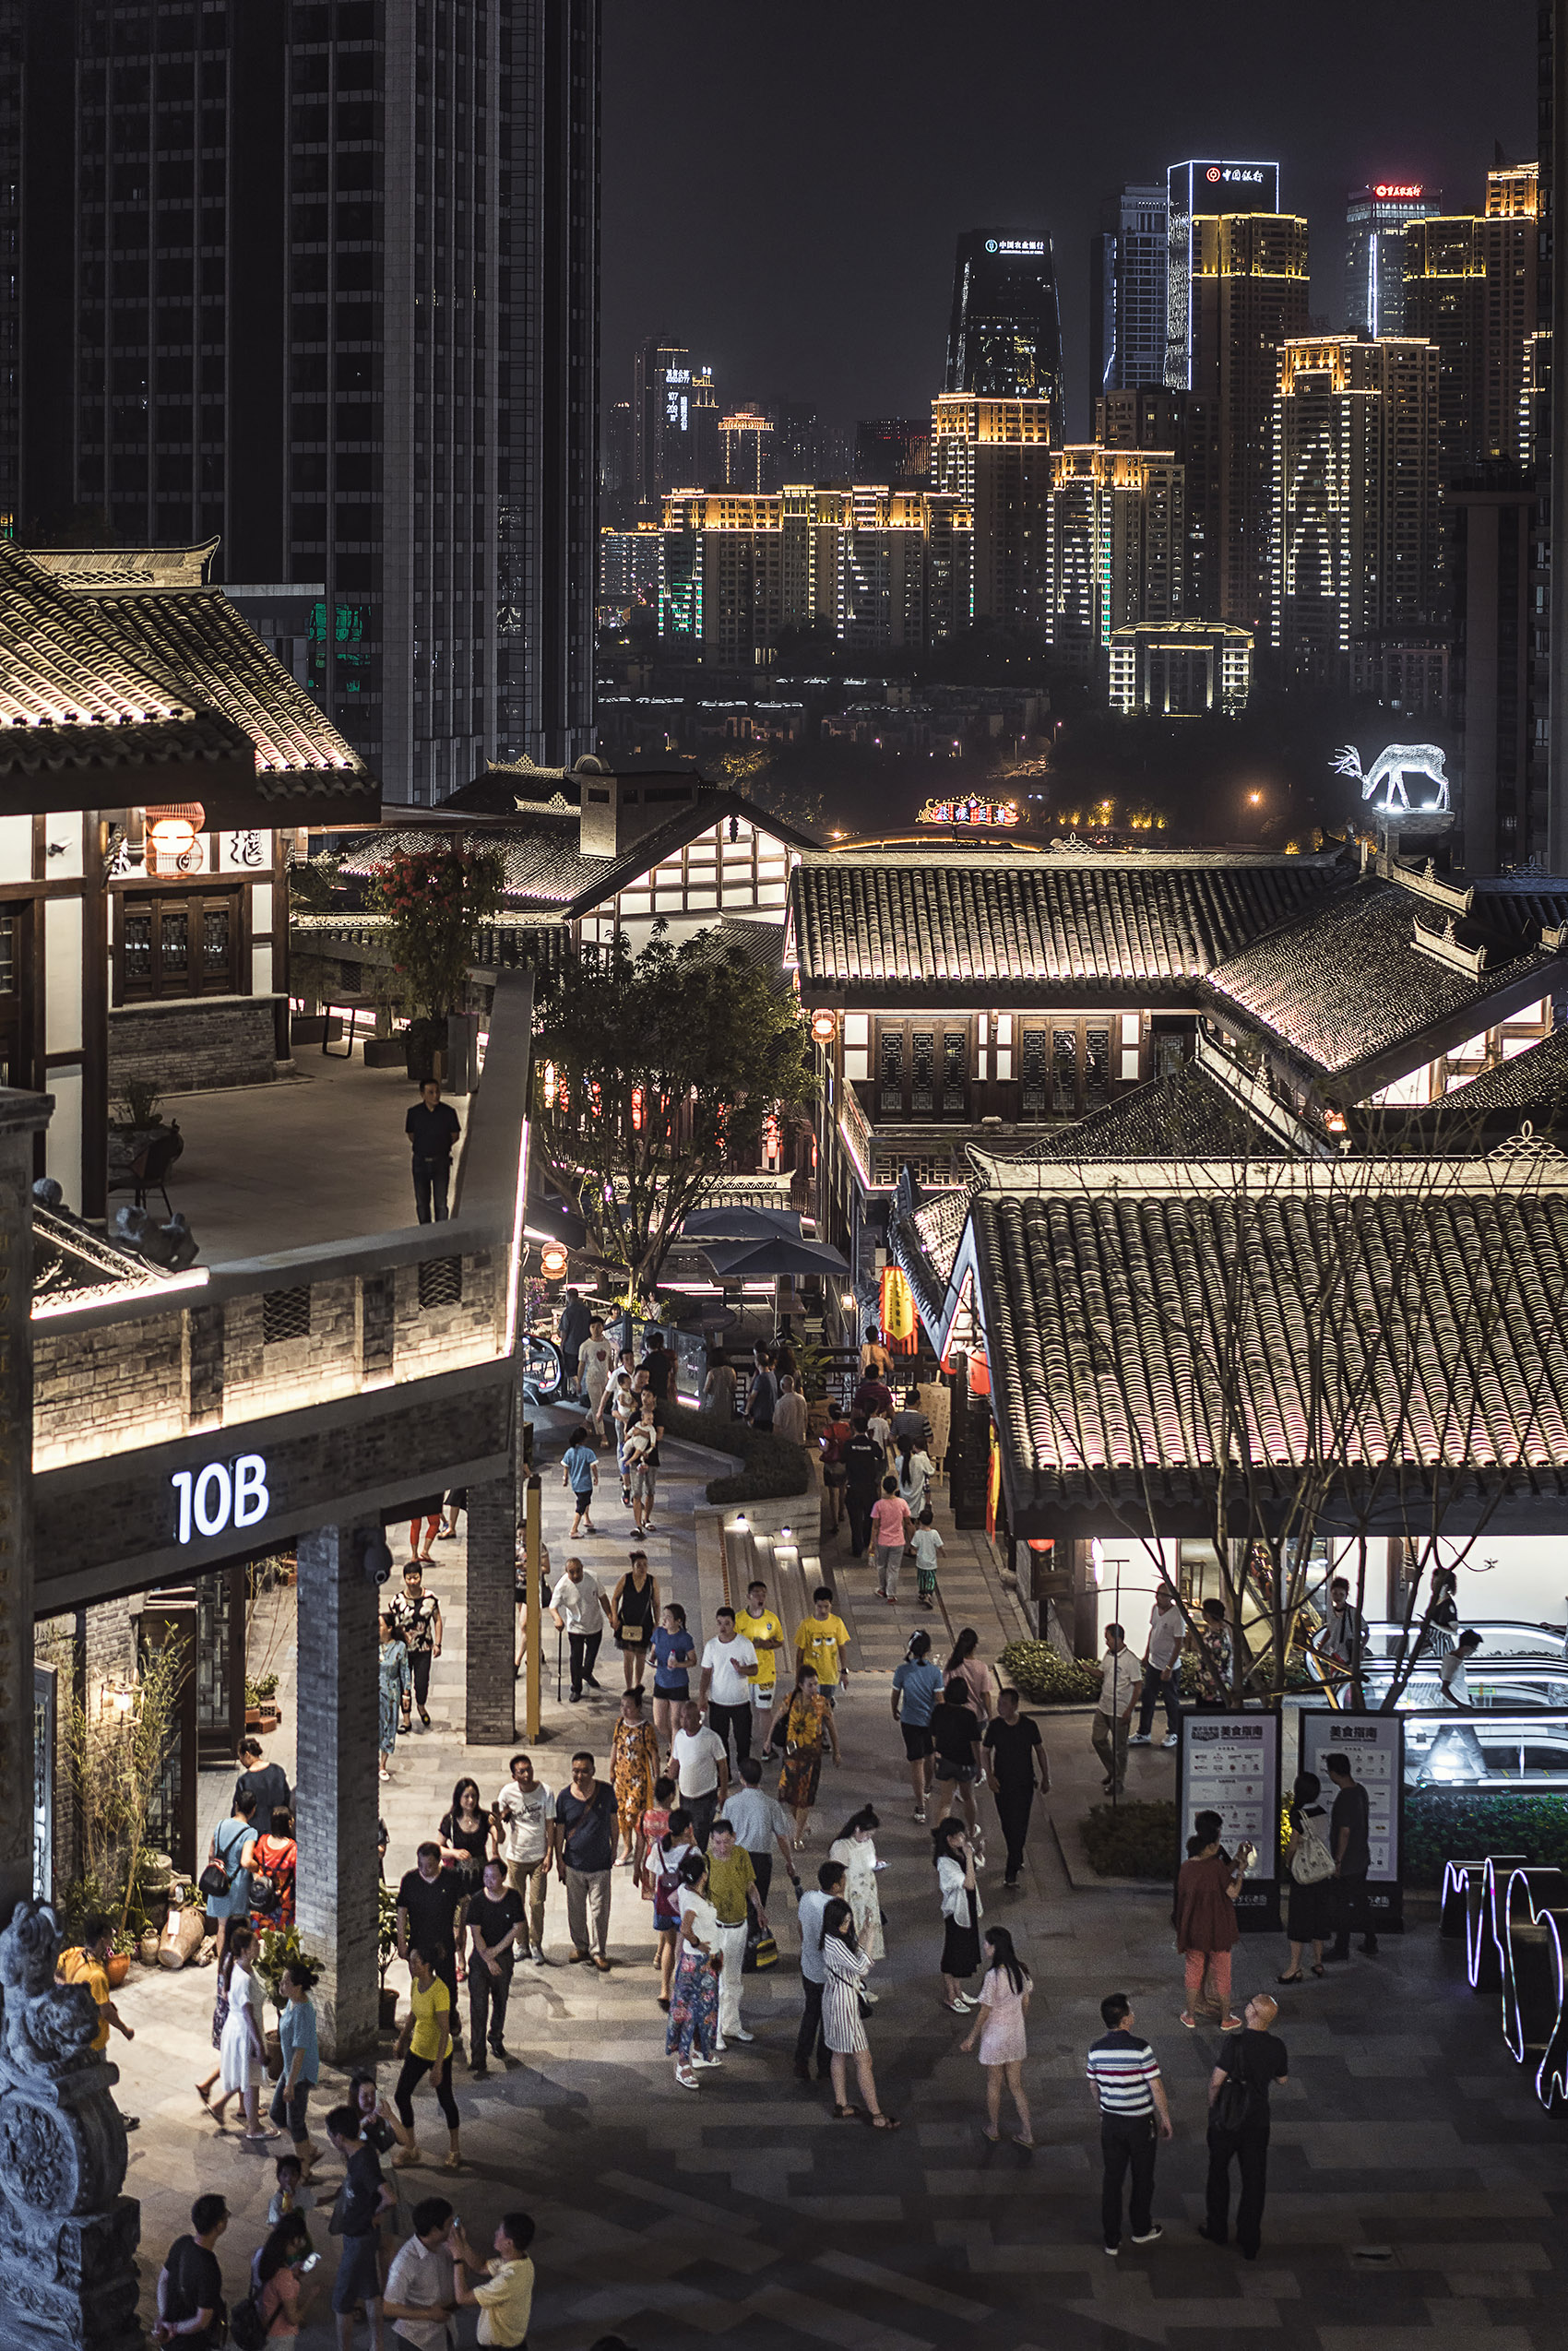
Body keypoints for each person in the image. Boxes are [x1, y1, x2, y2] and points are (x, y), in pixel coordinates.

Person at [1199, 1993, 1289, 2259]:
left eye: (1249, 2005)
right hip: (1257, 2119)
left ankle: (1217, 2229)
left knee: (1218, 2172)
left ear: (1253, 2015)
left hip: (1228, 2118)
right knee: (1254, 2179)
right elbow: (1282, 2079)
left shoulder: (1235, 2043)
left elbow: (1216, 2081)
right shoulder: (1277, 2046)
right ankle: (1250, 2239)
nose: (1246, 2007)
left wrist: (1214, 2107)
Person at [1087, 1993, 1173, 2256]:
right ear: (1125, 2020)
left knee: (1112, 2180)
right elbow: (1155, 2086)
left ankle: (1111, 2240)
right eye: (1131, 2011)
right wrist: (1165, 2118)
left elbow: (1093, 2084)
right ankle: (1140, 2229)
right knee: (1142, 2177)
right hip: (1139, 2123)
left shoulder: (1095, 2049)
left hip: (1111, 2123)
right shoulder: (1141, 2048)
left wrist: (1102, 2109)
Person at [822, 1895, 898, 2127]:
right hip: (844, 2005)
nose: (847, 1926)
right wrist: (872, 1932)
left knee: (839, 2054)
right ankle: (876, 2115)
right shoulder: (835, 1943)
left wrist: (865, 1931)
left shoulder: (831, 1939)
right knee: (863, 2059)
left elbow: (855, 1956)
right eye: (844, 1922)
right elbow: (860, 1967)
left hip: (836, 2000)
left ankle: (842, 2104)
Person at [59, 1911, 139, 2130]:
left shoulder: (73, 1954)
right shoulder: (97, 1976)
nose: (112, 1941)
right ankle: (113, 2121)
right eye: (110, 1936)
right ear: (103, 1938)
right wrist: (125, 2030)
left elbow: (56, 1972)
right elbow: (106, 2012)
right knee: (101, 2082)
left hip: (73, 2034)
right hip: (93, 2040)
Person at [325, 2099, 395, 2347]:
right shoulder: (363, 2152)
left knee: (341, 2302)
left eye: (332, 2137)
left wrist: (376, 2212)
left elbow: (389, 2196)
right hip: (364, 2234)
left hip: (360, 2238)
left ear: (340, 2136)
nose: (332, 2142)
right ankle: (378, 2344)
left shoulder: (362, 2162)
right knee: (370, 2290)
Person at [390, 1942, 463, 2172]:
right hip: (418, 2048)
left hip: (439, 2053)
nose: (411, 1966)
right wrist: (402, 2040)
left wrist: (439, 2066)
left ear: (427, 1965)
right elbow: (412, 2014)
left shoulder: (440, 1991)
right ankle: (411, 2146)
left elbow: (444, 2031)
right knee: (401, 2095)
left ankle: (454, 2149)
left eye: (415, 1962)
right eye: (410, 1961)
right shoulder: (415, 1983)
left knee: (446, 2100)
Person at [959, 1926, 1033, 2147]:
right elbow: (1026, 2003)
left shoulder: (993, 1977)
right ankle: (1028, 2132)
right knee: (1016, 2085)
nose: (984, 1946)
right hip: (1016, 2034)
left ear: (994, 1947)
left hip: (995, 2036)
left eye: (987, 1943)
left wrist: (971, 2037)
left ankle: (993, 2127)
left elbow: (984, 2011)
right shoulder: (1021, 1971)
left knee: (994, 2084)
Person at [1174, 1818, 1251, 2030]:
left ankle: (1190, 2015)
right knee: (1223, 1972)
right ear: (1211, 1846)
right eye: (1218, 1842)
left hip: (1193, 1929)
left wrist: (1235, 1860)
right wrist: (1241, 1871)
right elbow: (1232, 1892)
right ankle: (1226, 2018)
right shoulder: (1216, 1866)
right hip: (1218, 1928)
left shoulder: (1187, 1867)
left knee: (1193, 1970)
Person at [397, 1842, 468, 2048]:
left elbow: (462, 1904)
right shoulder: (410, 1880)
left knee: (448, 1986)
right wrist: (402, 1942)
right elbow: (402, 1912)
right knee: (420, 1987)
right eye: (421, 1864)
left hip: (443, 1941)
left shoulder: (451, 1878)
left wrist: (460, 1932)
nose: (424, 1869)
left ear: (439, 1862)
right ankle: (424, 2024)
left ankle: (450, 2016)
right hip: (419, 1942)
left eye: (429, 1865)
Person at [706, 1815, 766, 2046]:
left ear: (734, 1838)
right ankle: (716, 2031)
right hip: (716, 1929)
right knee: (716, 1981)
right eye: (717, 1842)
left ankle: (731, 2025)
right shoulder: (706, 1862)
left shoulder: (741, 1855)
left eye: (726, 1841)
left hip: (738, 1926)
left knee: (733, 1979)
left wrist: (759, 1909)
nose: (722, 1847)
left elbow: (750, 1886)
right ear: (711, 1841)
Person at [555, 1748, 619, 1967]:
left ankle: (599, 1951)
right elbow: (560, 1830)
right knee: (576, 1909)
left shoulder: (606, 1792)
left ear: (593, 1771)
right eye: (575, 1771)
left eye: (583, 1771)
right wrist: (559, 1859)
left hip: (600, 1863)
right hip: (573, 1863)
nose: (579, 1775)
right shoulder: (564, 1797)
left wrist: (614, 1848)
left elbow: (613, 1821)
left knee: (600, 1911)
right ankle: (581, 1946)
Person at [213, 1922, 274, 2144]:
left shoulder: (241, 1968)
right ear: (246, 1950)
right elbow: (248, 2013)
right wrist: (258, 2045)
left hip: (239, 2027)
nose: (259, 1945)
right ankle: (254, 2127)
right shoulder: (244, 1978)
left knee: (247, 2077)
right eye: (255, 1943)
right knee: (251, 2080)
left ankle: (239, 2113)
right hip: (245, 2032)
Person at [465, 1858, 527, 2077]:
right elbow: (475, 1930)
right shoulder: (478, 1900)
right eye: (486, 1876)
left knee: (500, 2000)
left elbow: (517, 1927)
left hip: (503, 1958)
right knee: (478, 2007)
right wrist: (487, 1958)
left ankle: (496, 2037)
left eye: (493, 1876)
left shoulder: (512, 1898)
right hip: (480, 1961)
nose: (489, 1881)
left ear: (503, 1877)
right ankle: (478, 2056)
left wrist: (497, 1952)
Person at [667, 1848, 723, 2087]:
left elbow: (671, 1901)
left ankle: (702, 2051)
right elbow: (685, 1928)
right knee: (690, 2012)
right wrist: (698, 1943)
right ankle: (683, 2064)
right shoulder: (693, 1902)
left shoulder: (684, 1891)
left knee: (707, 2007)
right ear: (704, 1876)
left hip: (706, 1963)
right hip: (697, 1965)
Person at [983, 1686, 1049, 1888]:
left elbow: (1040, 1751)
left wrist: (1046, 1777)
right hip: (1002, 1784)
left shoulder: (1029, 1726)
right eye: (999, 1704)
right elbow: (985, 1751)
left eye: (1004, 1704)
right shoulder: (995, 1727)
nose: (999, 1707)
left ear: (1015, 1705)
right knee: (1007, 1824)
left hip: (1024, 1783)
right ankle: (1017, 1855)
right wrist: (990, 1775)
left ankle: (1010, 1871)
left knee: (1020, 1824)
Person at [493, 1753, 555, 1965]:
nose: (527, 1774)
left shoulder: (546, 1792)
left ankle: (536, 1943)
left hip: (538, 1857)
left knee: (537, 1902)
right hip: (516, 1858)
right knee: (517, 1904)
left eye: (529, 1769)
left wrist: (549, 1854)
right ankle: (522, 1944)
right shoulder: (507, 1793)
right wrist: (500, 1818)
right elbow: (500, 1822)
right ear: (514, 1775)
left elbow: (550, 1825)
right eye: (522, 1771)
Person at [771, 1665, 839, 1846]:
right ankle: (802, 1824)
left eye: (816, 1684)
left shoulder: (821, 1703)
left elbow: (831, 1727)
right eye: (810, 1685)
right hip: (791, 1757)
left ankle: (797, 1836)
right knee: (788, 1796)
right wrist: (767, 1739)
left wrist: (836, 1751)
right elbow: (777, 1717)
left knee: (804, 1800)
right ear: (801, 1685)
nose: (814, 1688)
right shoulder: (790, 1700)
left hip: (811, 1759)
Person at [449, 2211, 536, 2346]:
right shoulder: (522, 2260)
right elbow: (480, 2267)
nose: (495, 2233)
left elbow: (462, 2298)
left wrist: (457, 2258)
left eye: (499, 2231)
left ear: (509, 2243)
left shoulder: (507, 2281)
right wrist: (463, 2243)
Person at [1278, 1772, 1334, 1983]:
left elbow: (1293, 1845)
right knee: (1320, 1917)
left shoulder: (1298, 1816)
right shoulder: (1322, 1812)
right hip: (1321, 1872)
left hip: (1303, 1874)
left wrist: (1287, 1861)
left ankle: (1294, 1968)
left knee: (1299, 1920)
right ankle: (1317, 1963)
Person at [383, 2195, 458, 2350]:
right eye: (450, 2223)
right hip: (417, 2339)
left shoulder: (447, 2244)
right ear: (435, 2230)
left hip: (445, 2329)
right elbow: (388, 2307)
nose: (455, 2227)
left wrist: (461, 2251)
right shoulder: (405, 2262)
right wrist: (429, 2314)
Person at [154, 2193, 229, 2346]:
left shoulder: (182, 2243)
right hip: (191, 2344)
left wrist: (165, 2319)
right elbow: (202, 2320)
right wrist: (175, 2328)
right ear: (219, 2225)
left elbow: (163, 2281)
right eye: (226, 2215)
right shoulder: (209, 2268)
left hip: (169, 2341)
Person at [724, 1756, 798, 1907]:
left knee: (737, 1903)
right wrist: (789, 1862)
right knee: (758, 1903)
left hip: (737, 1857)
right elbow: (782, 1838)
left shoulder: (730, 1803)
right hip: (761, 1861)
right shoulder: (771, 1804)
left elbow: (724, 1835)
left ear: (741, 1778)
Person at [1325, 1750, 1379, 1960]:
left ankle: (1341, 1948)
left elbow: (1344, 1832)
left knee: (1343, 1906)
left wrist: (1338, 1861)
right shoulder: (1360, 1791)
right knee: (1361, 1902)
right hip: (1361, 1857)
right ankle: (1371, 1941)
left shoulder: (1344, 1798)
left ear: (1334, 1773)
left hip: (1348, 1863)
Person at [794, 1858, 844, 2082]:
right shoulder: (837, 1910)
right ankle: (825, 2066)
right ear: (835, 1886)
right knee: (828, 2020)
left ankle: (801, 2060)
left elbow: (800, 1926)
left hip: (808, 1968)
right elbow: (842, 1944)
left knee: (810, 2014)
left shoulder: (807, 1898)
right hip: (829, 1974)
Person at [272, 1958, 321, 2174]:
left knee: (295, 2122)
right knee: (276, 2113)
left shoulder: (303, 2012)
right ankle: (309, 2149)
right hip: (290, 2070)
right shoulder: (292, 2003)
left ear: (298, 1986)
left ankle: (304, 2169)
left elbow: (300, 2050)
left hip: (299, 2075)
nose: (281, 1986)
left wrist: (290, 2084)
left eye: (285, 1983)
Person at [202, 1787, 259, 1966]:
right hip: (237, 1887)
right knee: (241, 1928)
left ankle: (222, 1967)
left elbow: (211, 1854)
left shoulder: (220, 1825)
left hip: (219, 1883)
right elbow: (246, 1861)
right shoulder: (250, 1832)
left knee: (222, 1927)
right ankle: (240, 1964)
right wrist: (258, 1867)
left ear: (236, 1806)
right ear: (253, 1809)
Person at [892, 1629, 945, 1821]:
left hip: (909, 1721)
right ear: (928, 1650)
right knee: (930, 1755)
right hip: (929, 1722)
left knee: (916, 1762)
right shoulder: (934, 1673)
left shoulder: (902, 1670)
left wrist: (894, 1710)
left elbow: (896, 1694)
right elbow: (940, 1700)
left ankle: (920, 1807)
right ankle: (928, 1787)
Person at [930, 1674, 987, 1851]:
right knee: (968, 1797)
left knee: (945, 1801)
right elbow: (975, 1744)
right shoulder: (968, 1716)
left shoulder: (939, 1710)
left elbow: (933, 1736)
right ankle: (970, 1828)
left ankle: (941, 1837)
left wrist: (934, 1757)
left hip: (945, 1760)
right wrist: (980, 1766)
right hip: (965, 1763)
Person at [827, 1805, 885, 1980]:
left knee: (867, 1936)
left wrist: (876, 1864)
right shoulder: (842, 1847)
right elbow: (835, 1876)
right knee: (853, 1940)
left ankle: (862, 1983)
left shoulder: (867, 1842)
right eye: (866, 1834)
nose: (868, 1838)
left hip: (867, 1896)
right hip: (851, 1899)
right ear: (857, 1829)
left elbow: (870, 1860)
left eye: (871, 1836)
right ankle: (854, 1981)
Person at [934, 1815, 982, 2012]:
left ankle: (958, 1991)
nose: (963, 1838)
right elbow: (968, 1882)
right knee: (953, 1952)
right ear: (950, 1839)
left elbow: (972, 1872)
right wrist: (970, 1857)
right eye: (960, 1835)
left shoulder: (957, 1853)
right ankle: (950, 1994)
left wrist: (975, 1855)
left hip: (967, 1907)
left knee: (962, 1951)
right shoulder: (945, 1862)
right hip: (956, 1911)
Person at [700, 1606, 759, 1764]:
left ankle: (744, 1772)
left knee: (743, 1740)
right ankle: (724, 1775)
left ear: (733, 1624)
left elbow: (755, 1669)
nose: (722, 1627)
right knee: (720, 1741)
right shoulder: (711, 1646)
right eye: (719, 1623)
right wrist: (702, 1696)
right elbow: (706, 1673)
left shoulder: (744, 1644)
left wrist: (741, 1669)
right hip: (718, 1702)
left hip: (740, 1701)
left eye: (726, 1623)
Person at [388, 1562, 444, 1733]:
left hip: (423, 1648)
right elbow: (390, 1623)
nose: (412, 1581)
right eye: (409, 1578)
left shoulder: (430, 1598)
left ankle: (421, 1706)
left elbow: (438, 1620)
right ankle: (406, 1720)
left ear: (420, 1577)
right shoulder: (397, 1600)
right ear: (404, 1578)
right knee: (403, 1685)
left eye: (415, 1577)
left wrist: (438, 1643)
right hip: (403, 1651)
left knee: (421, 1683)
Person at [550, 1554, 612, 1704]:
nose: (576, 1575)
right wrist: (558, 1619)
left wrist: (610, 1615)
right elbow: (553, 1607)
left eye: (578, 1571)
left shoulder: (593, 1578)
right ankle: (576, 1688)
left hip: (595, 1624)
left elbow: (603, 1597)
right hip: (575, 1628)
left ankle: (587, 1673)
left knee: (591, 1656)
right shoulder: (562, 1586)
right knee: (575, 1659)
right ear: (567, 1572)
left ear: (583, 1568)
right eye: (572, 1572)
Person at [1128, 1584, 1183, 1750]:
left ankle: (1173, 1731)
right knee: (1147, 1698)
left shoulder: (1177, 1616)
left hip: (1169, 1667)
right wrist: (1146, 1654)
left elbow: (1178, 1644)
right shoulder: (1155, 1609)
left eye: (1163, 1595)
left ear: (1171, 1598)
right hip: (1154, 1663)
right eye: (1158, 1594)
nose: (1159, 1598)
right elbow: (1153, 1631)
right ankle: (1144, 1732)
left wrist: (1168, 1667)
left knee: (1170, 1700)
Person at [650, 1806, 695, 2007]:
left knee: (669, 1944)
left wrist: (653, 1894)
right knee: (681, 1948)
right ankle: (680, 1991)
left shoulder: (659, 1847)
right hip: (683, 1905)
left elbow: (652, 1872)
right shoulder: (692, 1851)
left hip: (662, 1903)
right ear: (687, 1829)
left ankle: (664, 1990)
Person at [671, 1697, 730, 1850]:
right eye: (682, 1717)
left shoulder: (711, 1738)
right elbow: (675, 1762)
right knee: (685, 1833)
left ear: (698, 1718)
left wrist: (723, 1792)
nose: (684, 1721)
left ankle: (700, 1865)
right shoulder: (679, 1737)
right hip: (685, 1796)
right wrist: (666, 1784)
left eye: (688, 1717)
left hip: (705, 1797)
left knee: (700, 1834)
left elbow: (722, 1765)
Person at [610, 1687, 660, 1863]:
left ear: (638, 1707)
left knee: (634, 1813)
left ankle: (642, 1846)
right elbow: (615, 1746)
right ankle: (627, 1846)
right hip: (621, 1778)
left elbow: (654, 1754)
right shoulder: (619, 1724)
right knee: (621, 1814)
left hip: (638, 1779)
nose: (624, 1710)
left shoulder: (646, 1729)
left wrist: (657, 1776)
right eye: (622, 1706)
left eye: (629, 1706)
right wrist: (611, 1768)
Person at [251, 2213, 319, 2343]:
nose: (301, 2244)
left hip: (261, 2319)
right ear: (293, 2240)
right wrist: (312, 2296)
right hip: (279, 2336)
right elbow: (293, 2318)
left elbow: (270, 2286)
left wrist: (293, 2273)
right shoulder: (284, 2277)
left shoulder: (260, 2255)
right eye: (300, 2240)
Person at [407, 1077, 461, 1224]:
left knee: (441, 1203)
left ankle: (441, 1233)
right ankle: (425, 1232)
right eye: (430, 1092)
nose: (435, 1095)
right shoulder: (414, 1113)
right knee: (422, 1203)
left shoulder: (448, 1112)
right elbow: (411, 1134)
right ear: (422, 1094)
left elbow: (455, 1135)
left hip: (441, 1162)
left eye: (437, 1092)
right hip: (420, 1162)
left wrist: (441, 1145)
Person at [734, 1578, 787, 1732]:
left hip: (765, 1673)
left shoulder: (772, 1619)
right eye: (756, 1594)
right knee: (743, 1709)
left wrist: (768, 1644)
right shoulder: (739, 1619)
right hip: (744, 1673)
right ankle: (745, 1737)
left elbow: (780, 1641)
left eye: (763, 1594)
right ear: (749, 1596)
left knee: (764, 1710)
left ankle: (767, 1744)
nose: (760, 1598)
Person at [1092, 1625, 1137, 1797]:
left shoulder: (1130, 1660)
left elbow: (1138, 1686)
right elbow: (1102, 1673)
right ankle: (1113, 1769)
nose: (1106, 1641)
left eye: (1108, 1638)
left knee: (1120, 1747)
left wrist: (1129, 1710)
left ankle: (1118, 1781)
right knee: (1098, 1739)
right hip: (1104, 1706)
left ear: (1118, 1639)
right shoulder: (1108, 1655)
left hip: (1120, 1710)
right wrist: (1089, 1670)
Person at [650, 1601, 698, 1757]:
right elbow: (654, 1649)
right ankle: (673, 1743)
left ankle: (673, 1759)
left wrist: (678, 1664)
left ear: (678, 1621)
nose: (664, 1620)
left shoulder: (684, 1638)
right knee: (659, 1722)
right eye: (664, 1616)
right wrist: (651, 1659)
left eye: (668, 1617)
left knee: (675, 1722)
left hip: (678, 1683)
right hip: (661, 1681)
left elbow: (693, 1660)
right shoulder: (659, 1633)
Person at [438, 1777, 493, 1908]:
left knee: (480, 1917)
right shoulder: (450, 1820)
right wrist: (454, 1853)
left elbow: (500, 1838)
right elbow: (438, 1848)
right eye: (466, 1796)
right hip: (458, 1875)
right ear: (459, 1797)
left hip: (481, 1874)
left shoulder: (484, 1817)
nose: (471, 1800)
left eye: (474, 1796)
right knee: (459, 1919)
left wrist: (498, 1825)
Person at [610, 1550, 659, 1688]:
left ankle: (638, 1685)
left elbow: (656, 1603)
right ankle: (629, 1686)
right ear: (633, 1567)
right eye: (639, 1565)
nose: (643, 1568)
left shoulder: (651, 1581)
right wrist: (614, 1616)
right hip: (626, 1621)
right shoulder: (625, 1579)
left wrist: (657, 1622)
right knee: (628, 1657)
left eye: (645, 1565)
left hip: (644, 1623)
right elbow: (615, 1598)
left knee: (641, 1656)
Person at [794, 1585, 851, 1700]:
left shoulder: (837, 1623)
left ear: (831, 1604)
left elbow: (842, 1647)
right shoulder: (806, 1624)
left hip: (829, 1676)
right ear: (815, 1605)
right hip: (810, 1676)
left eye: (826, 1606)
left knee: (825, 1710)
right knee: (811, 1709)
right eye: (820, 1607)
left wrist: (844, 1671)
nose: (823, 1610)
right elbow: (800, 1653)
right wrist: (798, 1678)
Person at [841, 1413, 885, 1557]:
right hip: (869, 1487)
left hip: (853, 1486)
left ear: (853, 1428)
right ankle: (867, 1541)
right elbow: (880, 1455)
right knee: (868, 1516)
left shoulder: (848, 1445)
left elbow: (842, 1459)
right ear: (867, 1428)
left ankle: (857, 1548)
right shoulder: (872, 1445)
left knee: (854, 1519)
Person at [251, 1804, 298, 1931]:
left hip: (262, 1898)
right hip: (283, 1903)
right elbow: (297, 1877)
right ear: (288, 1823)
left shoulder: (262, 1841)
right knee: (281, 1939)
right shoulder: (292, 1848)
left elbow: (255, 1863)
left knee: (262, 1934)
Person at [233, 1735, 292, 1830]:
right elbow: (287, 1799)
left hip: (256, 1832)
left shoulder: (244, 1780)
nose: (241, 1761)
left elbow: (237, 1812)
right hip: (279, 1829)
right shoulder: (278, 1770)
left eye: (241, 1757)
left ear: (247, 1755)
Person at [622, 1398, 661, 1538]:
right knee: (637, 1493)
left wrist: (642, 1433)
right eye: (643, 1394)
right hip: (636, 1460)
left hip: (652, 1461)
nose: (646, 1398)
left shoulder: (657, 1419)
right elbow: (627, 1436)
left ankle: (646, 1519)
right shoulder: (635, 1418)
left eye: (649, 1395)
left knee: (650, 1490)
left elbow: (657, 1439)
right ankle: (638, 1525)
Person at [1313, 1574, 1366, 1680]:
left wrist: (1361, 1647)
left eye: (1341, 1594)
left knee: (1346, 1679)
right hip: (1334, 1652)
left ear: (1346, 1596)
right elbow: (1329, 1631)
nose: (1338, 1597)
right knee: (1336, 1679)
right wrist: (1320, 1646)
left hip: (1348, 1653)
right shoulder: (1331, 1613)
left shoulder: (1352, 1612)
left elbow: (1366, 1630)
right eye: (1335, 1593)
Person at [871, 1476, 912, 1601]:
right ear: (896, 1488)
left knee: (882, 1566)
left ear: (883, 1487)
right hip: (898, 1541)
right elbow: (908, 1523)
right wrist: (913, 1540)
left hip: (883, 1541)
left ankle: (882, 1589)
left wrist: (872, 1543)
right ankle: (891, 1594)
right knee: (894, 1568)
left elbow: (875, 1527)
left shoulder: (878, 1505)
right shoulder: (902, 1503)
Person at [378, 1616, 410, 1781]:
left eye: (380, 1625)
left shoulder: (400, 1647)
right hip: (374, 1690)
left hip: (391, 1692)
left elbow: (404, 1670)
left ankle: (383, 1764)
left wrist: (406, 1693)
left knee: (388, 1726)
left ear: (389, 1628)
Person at [1191, 1597, 1235, 1704]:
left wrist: (1198, 1646)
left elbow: (1212, 1658)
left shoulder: (1216, 1637)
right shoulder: (1220, 1632)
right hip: (1210, 1685)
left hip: (1213, 1687)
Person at [945, 1627, 995, 1719]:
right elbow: (985, 1694)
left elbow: (944, 1685)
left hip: (955, 1713)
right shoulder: (981, 1667)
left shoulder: (953, 1663)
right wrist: (990, 1716)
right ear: (975, 1646)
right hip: (976, 1715)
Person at [561, 1427, 600, 1538]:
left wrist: (565, 1479)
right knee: (580, 1507)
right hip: (585, 1484)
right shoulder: (588, 1452)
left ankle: (586, 1519)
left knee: (585, 1501)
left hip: (575, 1484)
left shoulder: (569, 1452)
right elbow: (593, 1466)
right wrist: (596, 1477)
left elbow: (565, 1466)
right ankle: (573, 1530)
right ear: (584, 1439)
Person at [819, 1403, 852, 1533]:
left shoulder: (828, 1428)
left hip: (832, 1464)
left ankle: (835, 1523)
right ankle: (842, 1513)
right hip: (844, 1462)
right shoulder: (847, 1427)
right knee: (843, 1488)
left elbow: (825, 1447)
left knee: (833, 1493)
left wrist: (820, 1447)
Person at [556, 1287, 593, 1395]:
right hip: (586, 1345)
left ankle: (577, 1388)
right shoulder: (586, 1310)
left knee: (571, 1371)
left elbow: (564, 1331)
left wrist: (562, 1347)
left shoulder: (568, 1312)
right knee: (583, 1369)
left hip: (571, 1347)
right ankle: (582, 1391)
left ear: (568, 1297)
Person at [895, 1427, 936, 1523]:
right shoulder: (920, 1459)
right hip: (918, 1500)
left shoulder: (898, 1461)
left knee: (908, 1524)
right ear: (912, 1446)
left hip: (904, 1498)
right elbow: (931, 1472)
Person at [1439, 1627, 1484, 1706]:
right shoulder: (1454, 1662)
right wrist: (1462, 1706)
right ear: (1467, 1647)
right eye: (1474, 1649)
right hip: (1456, 1708)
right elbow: (1444, 1689)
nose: (1473, 1652)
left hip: (1459, 1704)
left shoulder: (1450, 1657)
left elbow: (1441, 1675)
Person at [911, 1506, 944, 1610]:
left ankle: (922, 1592)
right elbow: (939, 1546)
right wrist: (943, 1553)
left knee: (921, 1578)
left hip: (920, 1561)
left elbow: (914, 1546)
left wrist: (914, 1551)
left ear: (919, 1520)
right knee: (930, 1578)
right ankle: (928, 1594)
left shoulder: (918, 1533)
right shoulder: (934, 1533)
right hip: (931, 1562)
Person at [745, 1344, 778, 1431]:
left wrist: (747, 1411)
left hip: (761, 1415)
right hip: (771, 1413)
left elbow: (753, 1396)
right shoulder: (772, 1375)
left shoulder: (761, 1378)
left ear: (757, 1363)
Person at [772, 1371, 809, 1448]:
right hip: (801, 1438)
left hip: (787, 1440)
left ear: (782, 1385)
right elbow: (805, 1419)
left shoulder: (781, 1403)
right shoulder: (802, 1399)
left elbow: (777, 1426)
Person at [407, 1496, 445, 1566]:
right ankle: (425, 1551)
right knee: (435, 1523)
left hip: (414, 1496)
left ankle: (414, 1555)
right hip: (430, 1495)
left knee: (415, 1526)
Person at [701, 1348, 736, 1419]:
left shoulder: (712, 1372)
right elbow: (733, 1387)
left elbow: (706, 1389)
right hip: (726, 1403)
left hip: (713, 1403)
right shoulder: (732, 1371)